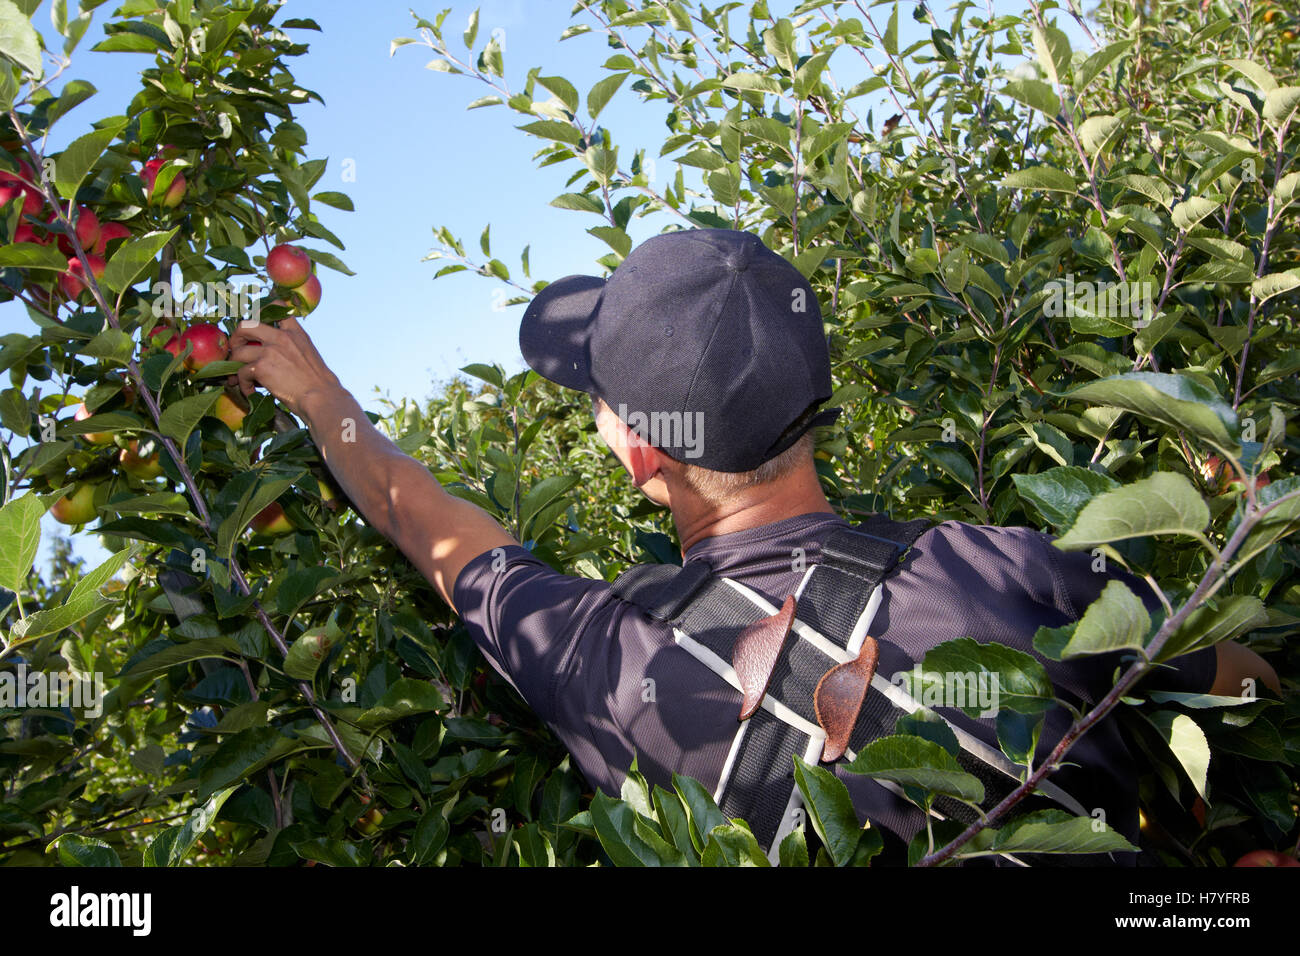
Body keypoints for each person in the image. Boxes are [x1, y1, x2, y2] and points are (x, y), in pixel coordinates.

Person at [228, 228, 1280, 864]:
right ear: (813, 399)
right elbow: (1244, 681)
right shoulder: (1008, 567)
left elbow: (423, 518)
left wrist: (326, 402)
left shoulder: (614, 662)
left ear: (641, 453)